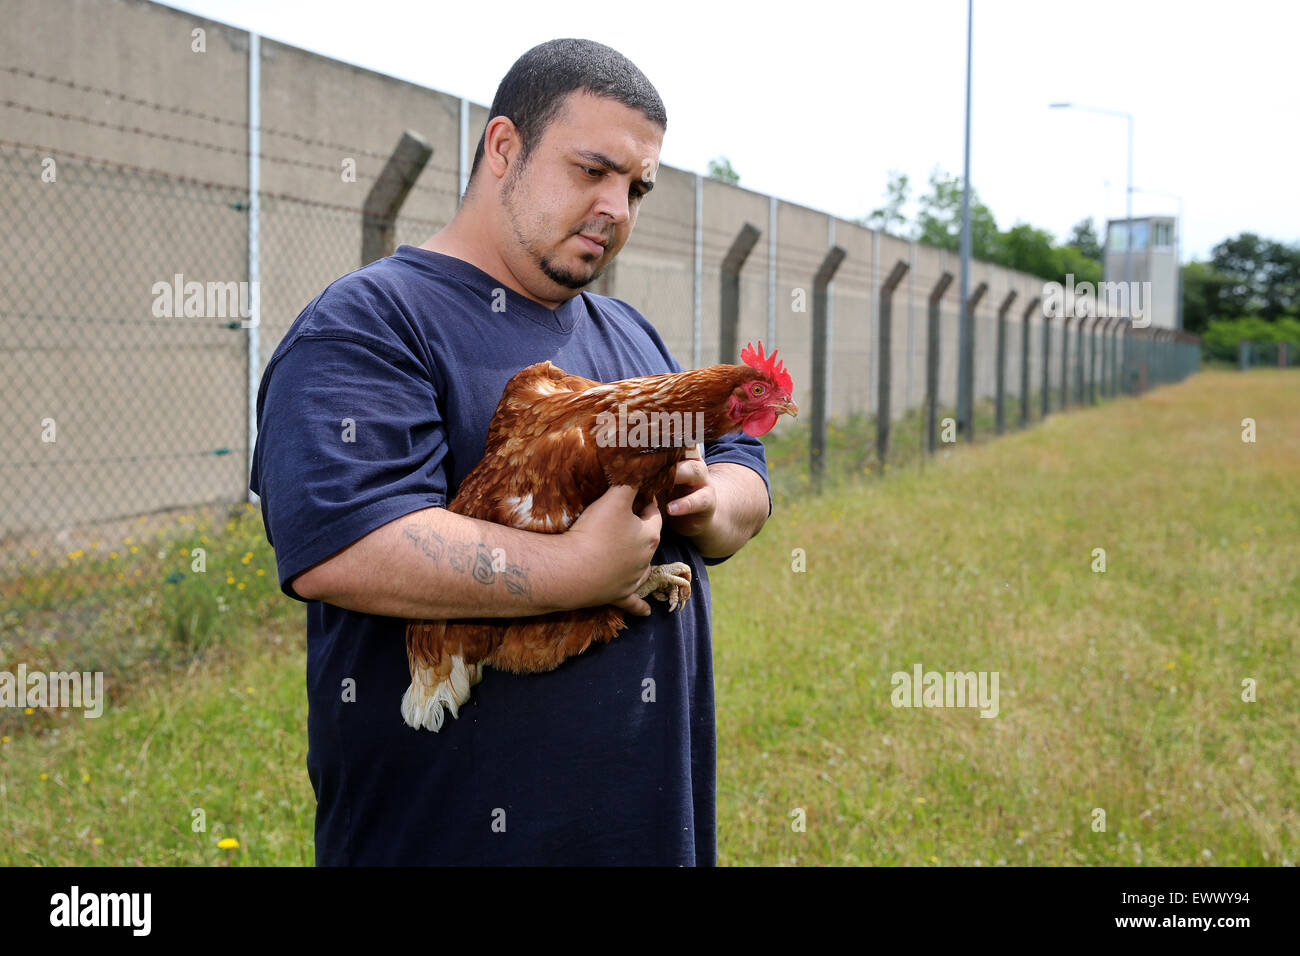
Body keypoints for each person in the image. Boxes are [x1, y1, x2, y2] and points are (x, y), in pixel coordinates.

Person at [250, 37, 772, 866]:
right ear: (505, 148)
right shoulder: (372, 324)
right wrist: (577, 574)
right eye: (590, 170)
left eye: (636, 187)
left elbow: (744, 459)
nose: (617, 208)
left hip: (645, 832)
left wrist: (715, 507)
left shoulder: (627, 330)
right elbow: (344, 545)